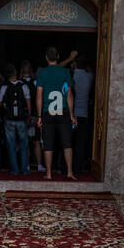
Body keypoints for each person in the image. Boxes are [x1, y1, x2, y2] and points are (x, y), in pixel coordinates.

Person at [35, 46, 76, 181]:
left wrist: (39, 116)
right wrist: (71, 115)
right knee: (67, 143)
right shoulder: (65, 72)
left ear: (46, 58)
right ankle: (69, 172)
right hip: (62, 111)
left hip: (48, 112)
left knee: (48, 144)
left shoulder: (41, 73)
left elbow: (39, 96)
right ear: (58, 57)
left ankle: (48, 173)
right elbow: (69, 95)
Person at [0, 64, 31, 175]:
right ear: (16, 72)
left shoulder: (4, 87)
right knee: (24, 145)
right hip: (21, 119)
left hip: (9, 120)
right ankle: (25, 170)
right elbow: (28, 103)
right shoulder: (24, 86)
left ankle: (15, 170)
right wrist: (29, 116)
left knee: (11, 145)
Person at [70, 55, 94, 175]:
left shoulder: (72, 75)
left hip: (72, 116)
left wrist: (73, 66)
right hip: (83, 115)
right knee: (80, 143)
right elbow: (90, 70)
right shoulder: (89, 76)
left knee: (68, 142)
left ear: (75, 64)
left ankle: (65, 168)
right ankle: (77, 169)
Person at [20, 61, 42, 173]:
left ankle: (27, 165)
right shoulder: (36, 82)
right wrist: (37, 115)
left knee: (26, 142)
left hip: (22, 118)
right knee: (36, 141)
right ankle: (38, 165)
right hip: (34, 115)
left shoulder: (18, 83)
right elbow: (39, 99)